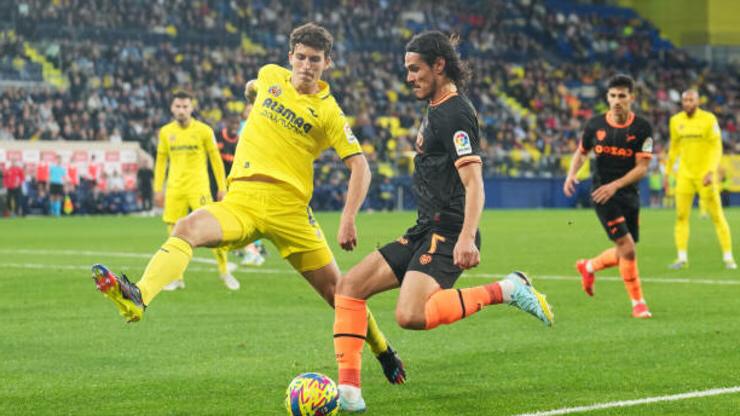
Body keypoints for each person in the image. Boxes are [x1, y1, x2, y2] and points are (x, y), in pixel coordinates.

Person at [91, 22, 405, 385]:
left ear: (327, 64)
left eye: (314, 60)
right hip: (241, 201)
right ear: (290, 58)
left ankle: (383, 350)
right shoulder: (270, 75)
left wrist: (348, 217)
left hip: (290, 211)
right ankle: (138, 296)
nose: (306, 65)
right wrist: (252, 90)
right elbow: (259, 87)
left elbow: (361, 168)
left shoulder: (329, 112)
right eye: (300, 57)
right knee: (186, 227)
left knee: (340, 293)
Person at [332, 31, 553, 413]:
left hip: (449, 231)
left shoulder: (455, 112)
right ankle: (349, 392)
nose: (409, 77)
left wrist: (466, 237)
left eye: (415, 69)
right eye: (406, 69)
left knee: (410, 315)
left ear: (439, 65)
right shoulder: (436, 106)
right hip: (424, 227)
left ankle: (507, 289)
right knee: (349, 287)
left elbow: (475, 183)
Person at [565, 74, 654, 319]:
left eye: (622, 96)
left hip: (627, 193)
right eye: (613, 96)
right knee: (628, 248)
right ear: (607, 97)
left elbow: (642, 168)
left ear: (631, 98)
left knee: (626, 249)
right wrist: (571, 175)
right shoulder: (595, 125)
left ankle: (589, 266)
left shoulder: (642, 128)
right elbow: (581, 152)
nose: (617, 101)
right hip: (602, 194)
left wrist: (616, 185)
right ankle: (638, 303)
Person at [146, 90, 238, 290]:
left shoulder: (204, 131)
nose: (181, 110)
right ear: (172, 108)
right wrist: (157, 189)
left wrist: (222, 187)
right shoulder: (165, 132)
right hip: (175, 189)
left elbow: (216, 161)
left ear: (191, 108)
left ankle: (224, 271)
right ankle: (176, 277)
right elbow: (161, 162)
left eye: (185, 106)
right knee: (174, 234)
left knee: (213, 231)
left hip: (199, 188)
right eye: (178, 106)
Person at [666, 90, 736, 270]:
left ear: (698, 101)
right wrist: (668, 172)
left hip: (705, 176)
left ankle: (728, 257)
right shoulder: (675, 121)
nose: (688, 103)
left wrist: (711, 171)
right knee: (681, 216)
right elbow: (674, 148)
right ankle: (681, 258)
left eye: (691, 100)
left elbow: (716, 147)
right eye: (685, 100)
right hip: (685, 175)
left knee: (717, 216)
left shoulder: (709, 119)